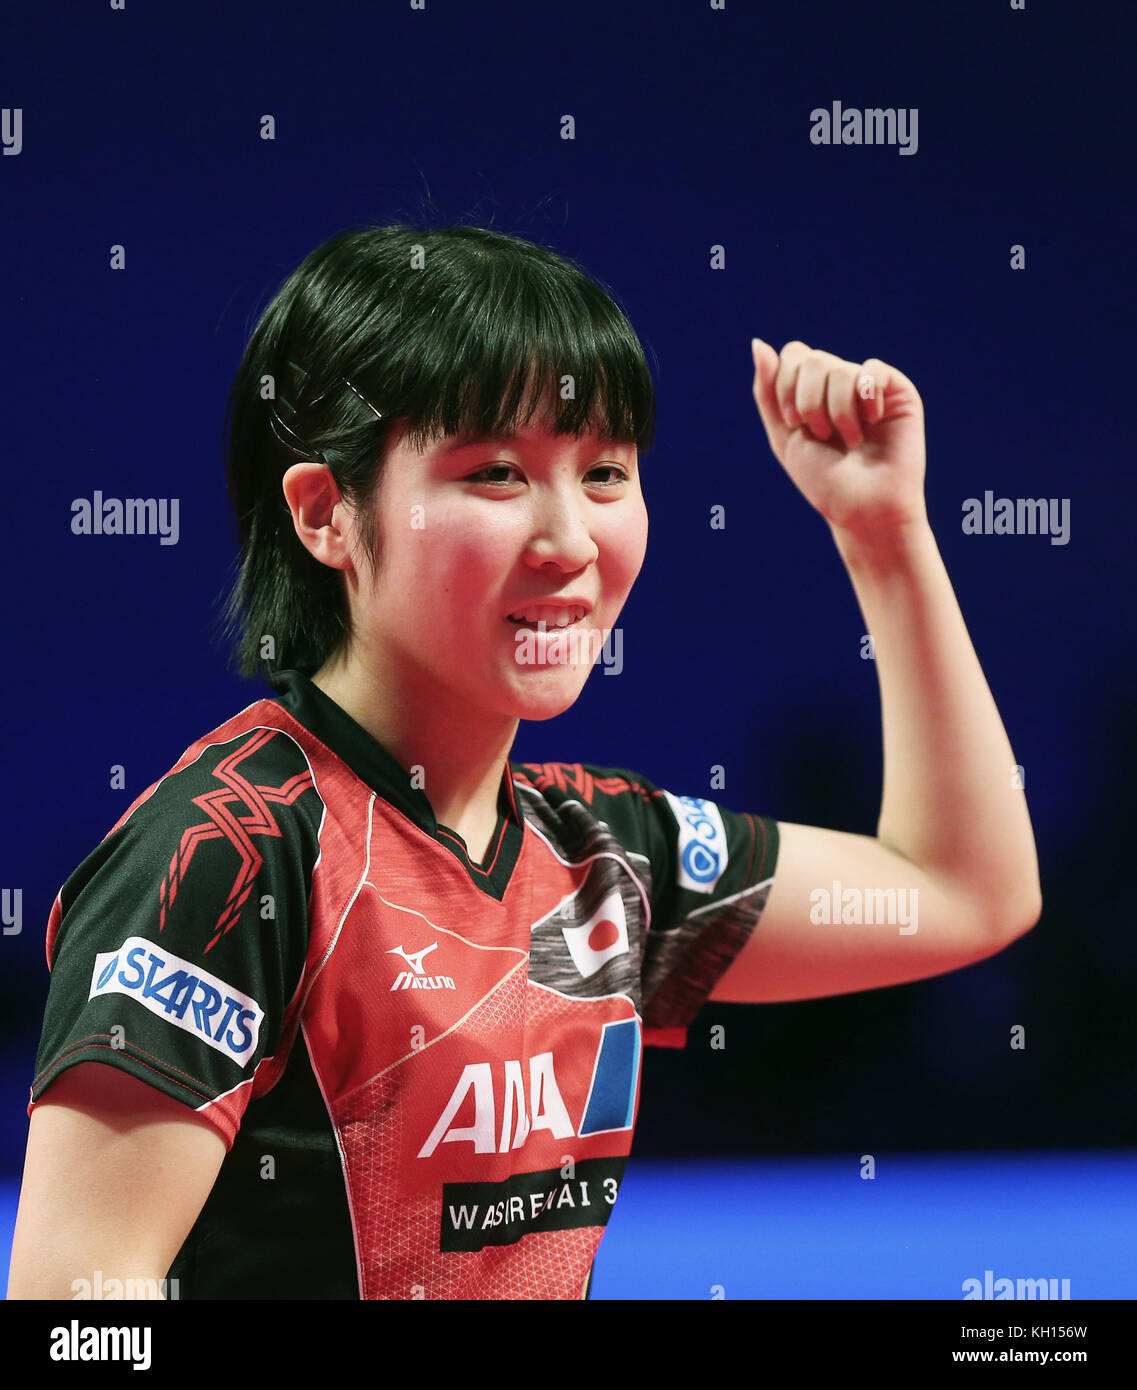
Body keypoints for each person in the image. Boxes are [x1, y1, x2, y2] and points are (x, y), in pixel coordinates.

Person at [7, 222, 1042, 1301]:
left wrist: (883, 534)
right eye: (495, 473)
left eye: (604, 472)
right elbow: (74, 1308)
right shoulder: (231, 854)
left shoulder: (604, 859)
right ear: (326, 513)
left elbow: (964, 891)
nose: (571, 541)